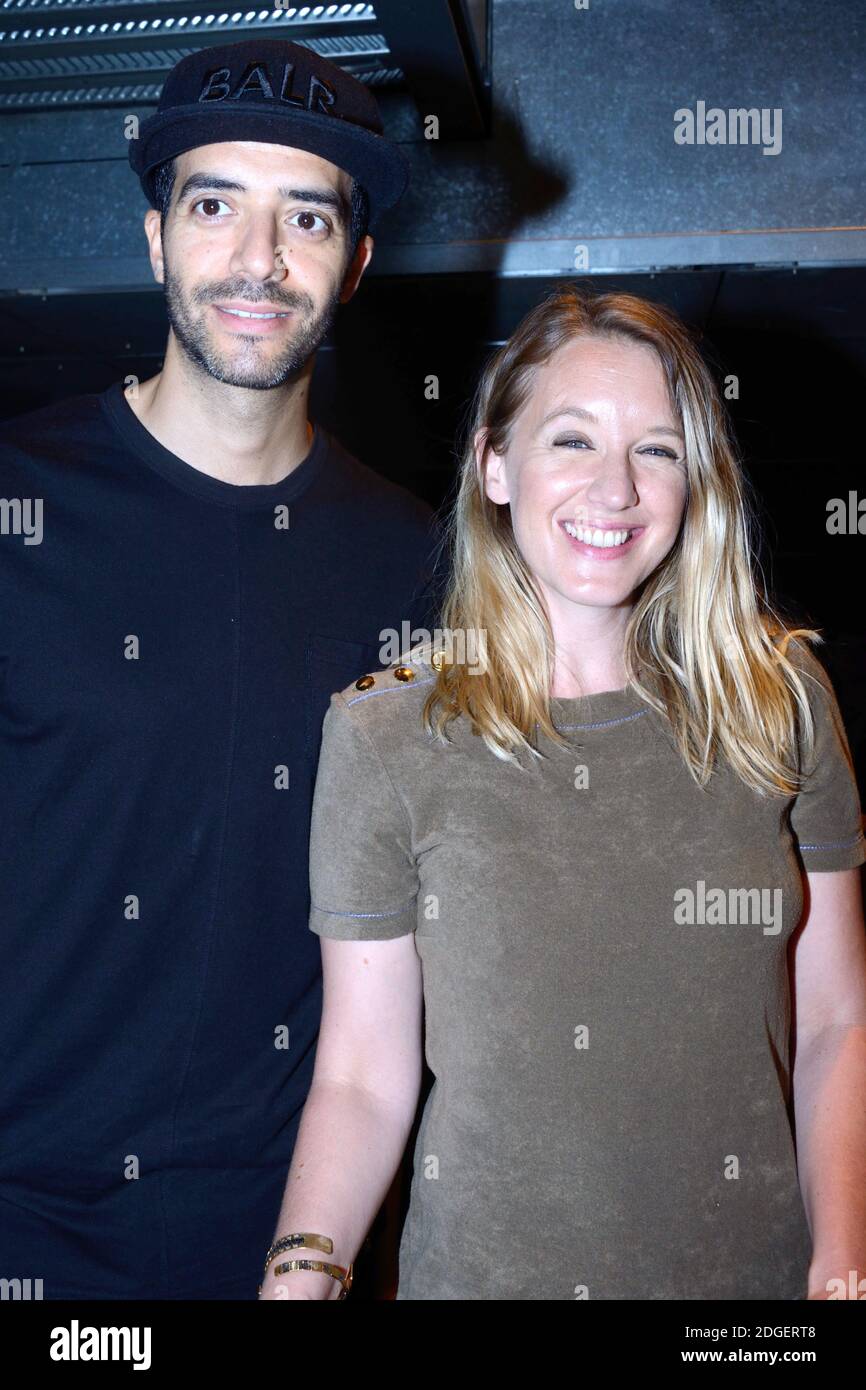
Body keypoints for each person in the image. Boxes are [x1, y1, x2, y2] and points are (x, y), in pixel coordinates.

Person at [258, 286, 866, 1301]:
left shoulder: (781, 702)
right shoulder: (382, 736)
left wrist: (840, 1263)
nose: (615, 488)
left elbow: (834, 1020)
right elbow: (361, 1077)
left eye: (658, 449)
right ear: (495, 464)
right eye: (572, 439)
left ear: (696, 481)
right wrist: (300, 1275)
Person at [0, 38, 442, 1299]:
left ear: (352, 265)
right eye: (214, 206)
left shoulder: (417, 566)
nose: (257, 259)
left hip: (282, 1224)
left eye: (303, 215)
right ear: (154, 241)